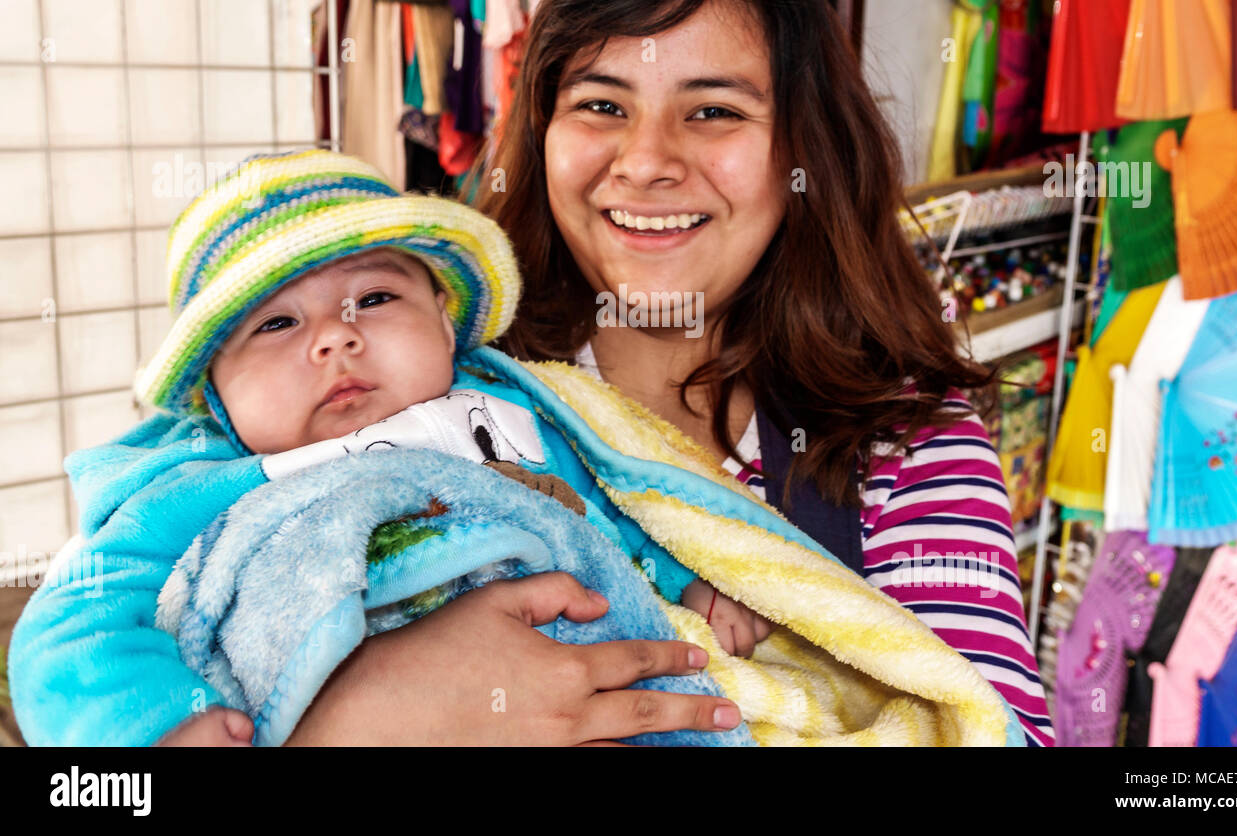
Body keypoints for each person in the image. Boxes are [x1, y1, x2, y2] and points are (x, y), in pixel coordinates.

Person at [467, 0, 1055, 745]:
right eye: (601, 104)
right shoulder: (448, 398)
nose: (646, 162)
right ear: (541, 130)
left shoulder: (904, 456)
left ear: (803, 151)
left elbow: (994, 730)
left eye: (714, 112)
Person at [8, 149, 774, 747]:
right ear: (216, 395)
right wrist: (156, 723)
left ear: (445, 324)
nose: (336, 336)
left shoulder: (505, 413)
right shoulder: (194, 485)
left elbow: (620, 496)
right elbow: (73, 623)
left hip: (583, 684)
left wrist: (687, 579)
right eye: (276, 325)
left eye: (374, 299)